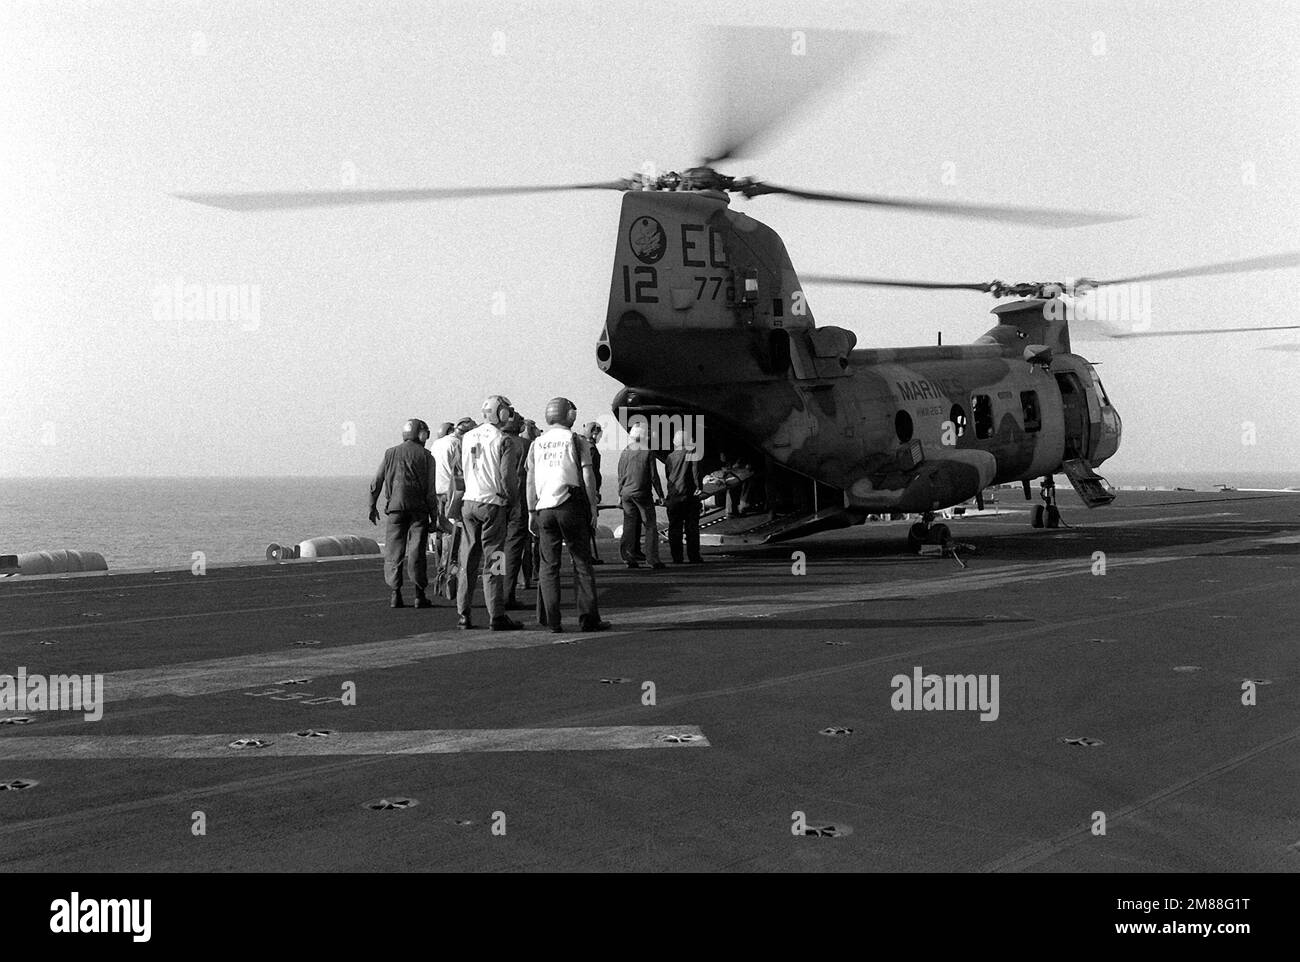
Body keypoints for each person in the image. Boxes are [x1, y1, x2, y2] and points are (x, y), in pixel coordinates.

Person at [527, 397, 609, 632]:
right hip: (570, 507)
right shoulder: (577, 441)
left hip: (544, 509)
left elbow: (531, 482)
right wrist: (592, 507)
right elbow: (588, 477)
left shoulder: (536, 444)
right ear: (570, 415)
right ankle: (588, 619)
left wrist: (531, 511)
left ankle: (553, 621)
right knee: (581, 563)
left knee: (548, 566)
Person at [457, 395, 523, 630]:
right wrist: (514, 503)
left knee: (467, 561)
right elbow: (507, 477)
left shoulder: (466, 437)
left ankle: (463, 614)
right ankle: (496, 615)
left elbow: (458, 473)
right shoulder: (503, 440)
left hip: (469, 503)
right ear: (500, 413)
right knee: (495, 560)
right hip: (493, 504)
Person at [368, 418, 439, 608]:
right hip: (419, 511)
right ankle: (419, 595)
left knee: (393, 552)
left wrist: (372, 505)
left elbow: (377, 481)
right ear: (421, 434)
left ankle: (395, 594)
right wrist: (435, 517)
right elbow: (431, 492)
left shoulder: (390, 453)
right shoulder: (427, 457)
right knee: (417, 552)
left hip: (395, 510)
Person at [430, 417, 474, 589]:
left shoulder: (437, 444)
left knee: (440, 533)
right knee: (453, 535)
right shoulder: (457, 444)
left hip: (436, 492)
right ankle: (449, 572)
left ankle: (440, 569)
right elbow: (460, 472)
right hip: (451, 494)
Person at [617, 420, 664, 569]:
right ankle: (652, 559)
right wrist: (661, 495)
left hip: (626, 493)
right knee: (650, 526)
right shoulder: (648, 451)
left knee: (629, 526)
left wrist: (620, 494)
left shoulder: (625, 451)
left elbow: (621, 475)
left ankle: (628, 557)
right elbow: (654, 476)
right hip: (642, 494)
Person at [501, 412, 534, 609]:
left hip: (496, 502)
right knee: (515, 549)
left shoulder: (496, 441)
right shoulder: (526, 445)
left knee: (496, 549)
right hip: (519, 502)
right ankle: (508, 593)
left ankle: (495, 591)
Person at [664, 428, 704, 564]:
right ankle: (694, 556)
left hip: (674, 496)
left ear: (675, 442)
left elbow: (668, 475)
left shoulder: (669, 457)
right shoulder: (691, 453)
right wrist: (699, 487)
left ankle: (677, 557)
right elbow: (695, 471)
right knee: (691, 527)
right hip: (689, 496)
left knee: (674, 528)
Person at [581, 421, 605, 564]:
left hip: (584, 490)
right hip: (588, 491)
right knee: (587, 524)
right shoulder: (591, 450)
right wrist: (594, 492)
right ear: (593, 433)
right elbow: (591, 473)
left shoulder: (583, 447)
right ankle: (585, 555)